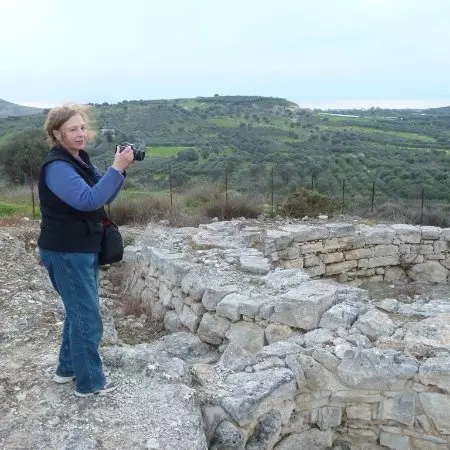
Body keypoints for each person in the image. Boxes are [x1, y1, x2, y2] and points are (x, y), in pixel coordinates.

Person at [38, 104, 134, 397]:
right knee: (86, 317)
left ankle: (67, 369)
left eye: (82, 127)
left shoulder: (78, 159)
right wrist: (115, 168)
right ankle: (90, 383)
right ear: (57, 133)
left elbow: (103, 194)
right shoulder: (58, 166)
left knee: (77, 312)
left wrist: (119, 172)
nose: (80, 134)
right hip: (67, 251)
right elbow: (88, 200)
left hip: (80, 248)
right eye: (72, 129)